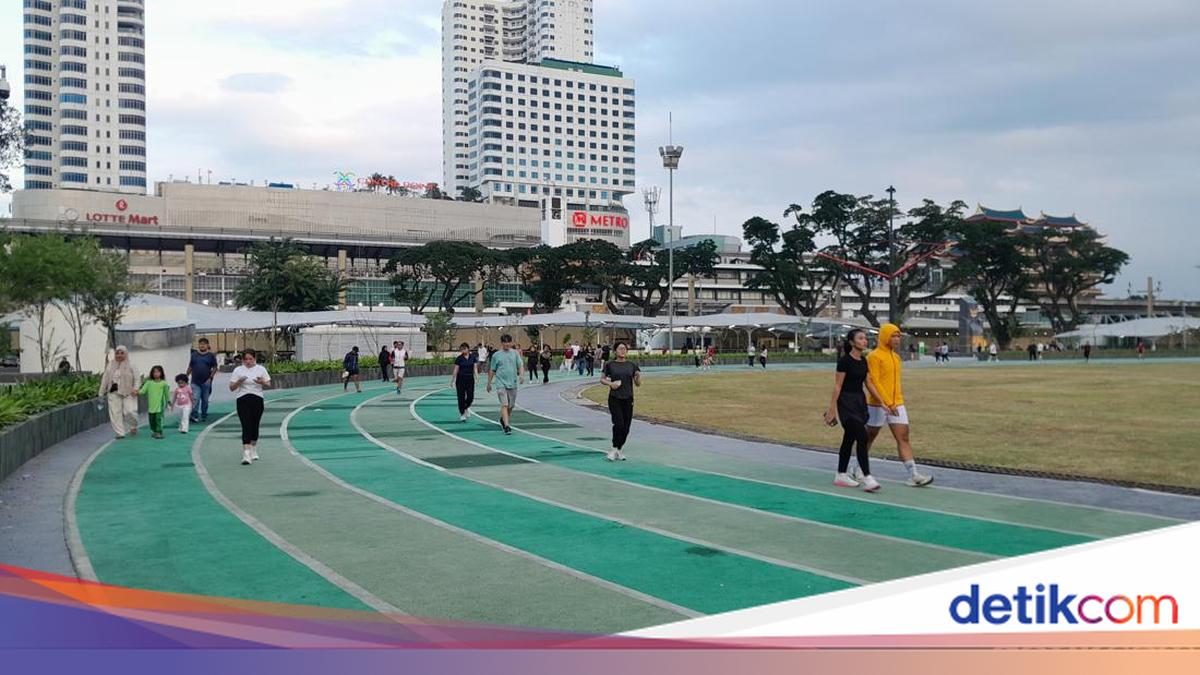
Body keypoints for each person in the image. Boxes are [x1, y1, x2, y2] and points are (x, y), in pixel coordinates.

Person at [856, 323, 933, 487]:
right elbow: (873, 381)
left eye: (898, 336)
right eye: (893, 335)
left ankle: (914, 475)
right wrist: (885, 402)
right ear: (884, 337)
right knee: (870, 436)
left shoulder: (896, 358)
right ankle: (858, 468)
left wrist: (894, 403)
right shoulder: (874, 356)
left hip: (897, 403)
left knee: (903, 437)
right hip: (877, 405)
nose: (897, 339)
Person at [824, 329, 882, 492]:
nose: (865, 341)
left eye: (865, 338)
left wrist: (882, 402)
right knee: (862, 436)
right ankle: (867, 477)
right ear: (852, 342)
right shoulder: (844, 361)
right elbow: (837, 386)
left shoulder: (864, 361)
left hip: (859, 402)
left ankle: (841, 474)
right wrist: (832, 410)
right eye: (861, 338)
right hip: (846, 403)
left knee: (849, 438)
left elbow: (868, 384)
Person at [600, 341, 642, 462]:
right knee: (619, 424)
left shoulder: (632, 365)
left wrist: (638, 377)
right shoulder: (610, 365)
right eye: (620, 349)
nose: (623, 351)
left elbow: (638, 384)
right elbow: (602, 379)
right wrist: (611, 384)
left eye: (624, 349)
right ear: (615, 351)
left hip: (628, 398)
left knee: (626, 427)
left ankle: (619, 449)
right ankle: (614, 449)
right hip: (615, 398)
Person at [229, 349, 271, 466]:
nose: (248, 361)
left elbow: (268, 384)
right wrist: (239, 381)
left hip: (257, 398)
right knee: (246, 425)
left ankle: (253, 448)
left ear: (255, 359)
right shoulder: (238, 370)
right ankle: (246, 453)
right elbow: (231, 388)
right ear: (242, 360)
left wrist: (261, 381)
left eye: (250, 359)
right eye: (246, 359)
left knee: (254, 425)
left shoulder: (261, 369)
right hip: (243, 398)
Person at [98, 345, 140, 439]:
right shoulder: (110, 364)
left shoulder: (131, 364)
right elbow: (105, 379)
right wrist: (101, 393)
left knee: (129, 411)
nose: (119, 355)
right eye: (117, 353)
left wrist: (136, 388)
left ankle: (134, 425)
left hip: (128, 392)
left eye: (122, 353)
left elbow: (137, 378)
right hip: (113, 392)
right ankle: (120, 432)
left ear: (126, 354)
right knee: (115, 413)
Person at [486, 334, 524, 435]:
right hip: (500, 383)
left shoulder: (515, 353)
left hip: (513, 383)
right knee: (505, 404)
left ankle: (503, 419)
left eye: (508, 342)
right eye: (505, 342)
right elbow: (492, 369)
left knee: (511, 406)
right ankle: (507, 426)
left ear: (511, 343)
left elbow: (520, 365)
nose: (507, 344)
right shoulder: (496, 355)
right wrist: (489, 383)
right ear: (502, 343)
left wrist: (521, 375)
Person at [187, 337, 218, 423]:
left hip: (206, 382)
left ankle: (204, 414)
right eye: (200, 344)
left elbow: (215, 367)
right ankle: (194, 415)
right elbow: (190, 366)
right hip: (195, 381)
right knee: (195, 398)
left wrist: (211, 377)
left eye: (204, 344)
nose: (202, 346)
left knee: (205, 400)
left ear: (207, 345)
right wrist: (186, 376)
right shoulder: (194, 355)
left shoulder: (211, 356)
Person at [140, 365, 171, 440]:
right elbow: (142, 391)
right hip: (151, 406)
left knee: (159, 419)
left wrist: (169, 401)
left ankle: (159, 432)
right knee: (152, 420)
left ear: (161, 373)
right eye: (154, 372)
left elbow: (167, 393)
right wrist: (135, 392)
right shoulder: (148, 383)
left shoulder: (164, 383)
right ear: (152, 373)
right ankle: (154, 431)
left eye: (158, 372)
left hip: (159, 406)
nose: (156, 373)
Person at [451, 342, 478, 422]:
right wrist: (452, 381)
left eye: (464, 349)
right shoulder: (459, 359)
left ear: (468, 349)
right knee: (461, 397)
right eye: (461, 349)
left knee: (470, 397)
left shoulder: (473, 357)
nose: (463, 351)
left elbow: (475, 368)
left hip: (470, 379)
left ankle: (466, 407)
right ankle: (462, 413)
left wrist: (477, 377)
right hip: (460, 379)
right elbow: (456, 370)